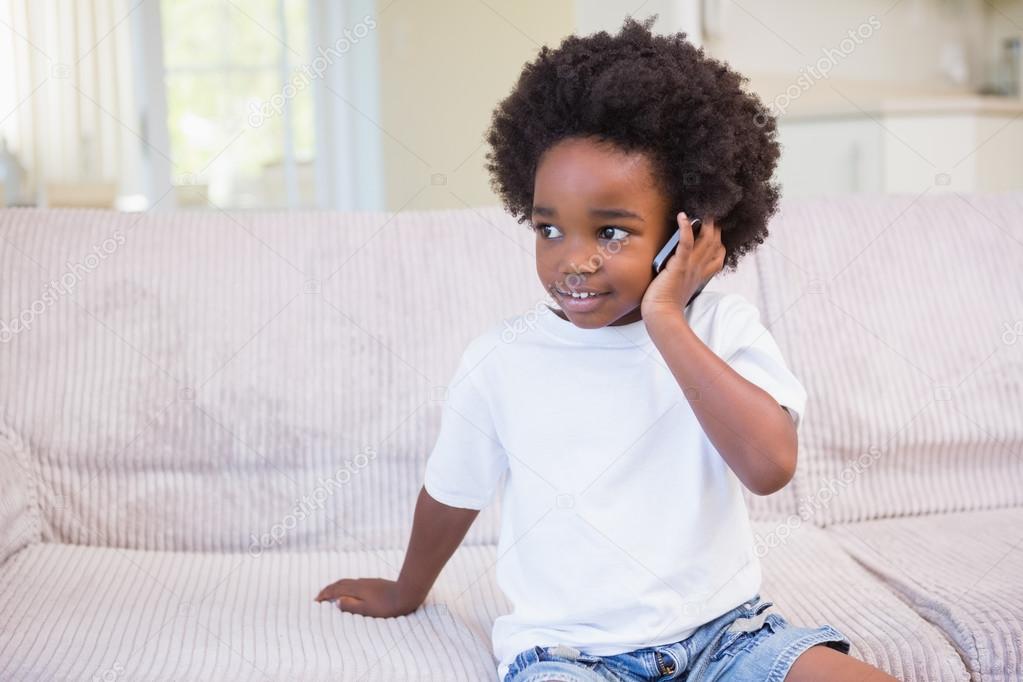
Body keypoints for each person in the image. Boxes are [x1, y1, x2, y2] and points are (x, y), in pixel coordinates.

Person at [316, 15, 899, 682]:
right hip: (567, 656)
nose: (574, 260)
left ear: (691, 230)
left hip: (729, 638)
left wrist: (666, 320)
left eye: (612, 233)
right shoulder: (501, 359)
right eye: (549, 229)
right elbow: (452, 492)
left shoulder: (722, 331)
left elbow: (767, 466)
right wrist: (404, 591)